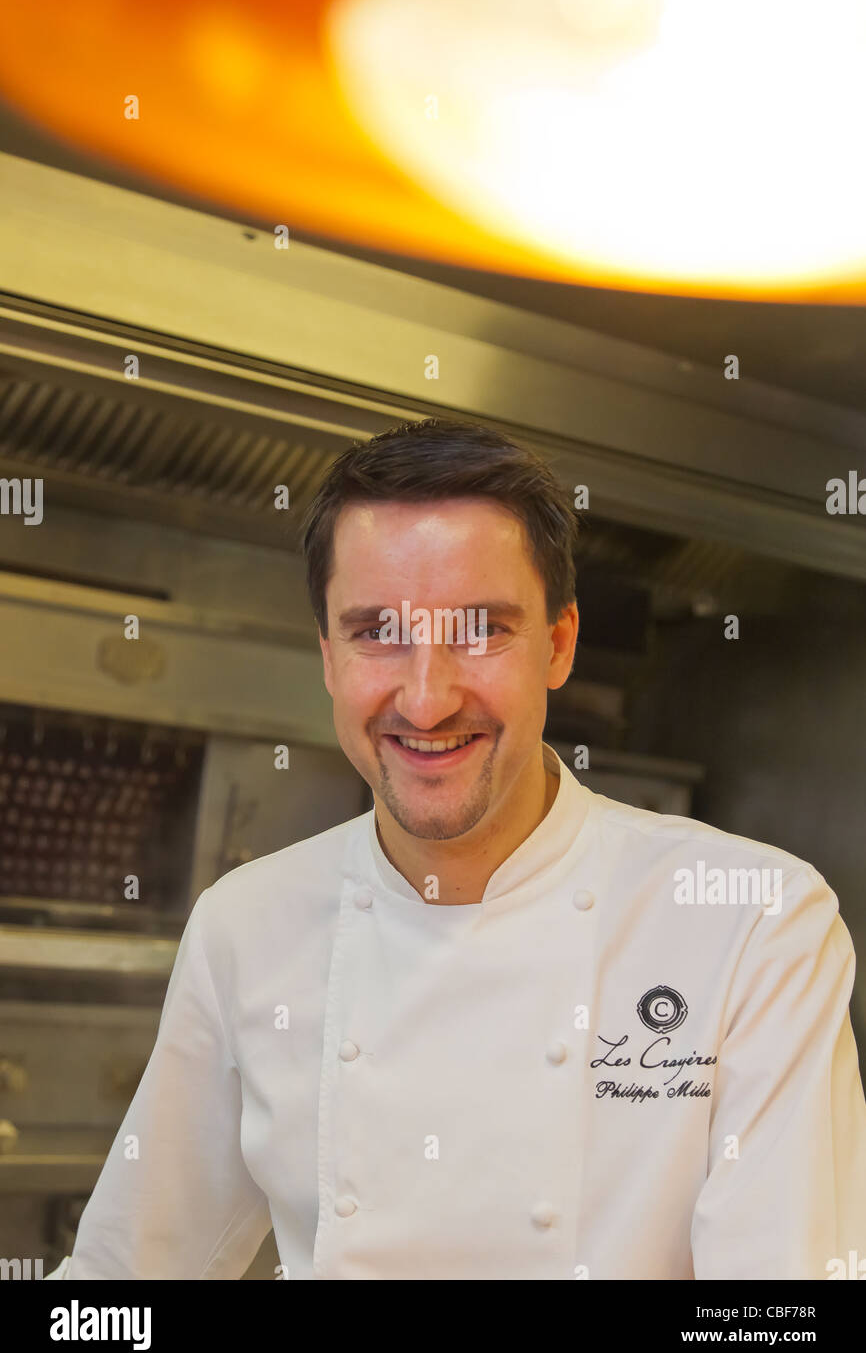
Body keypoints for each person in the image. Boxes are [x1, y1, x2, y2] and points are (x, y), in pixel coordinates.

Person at [46, 418, 866, 1280]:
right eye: (376, 632)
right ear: (327, 657)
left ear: (558, 644)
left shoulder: (752, 922)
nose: (428, 699)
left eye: (480, 629)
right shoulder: (245, 928)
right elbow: (119, 1289)